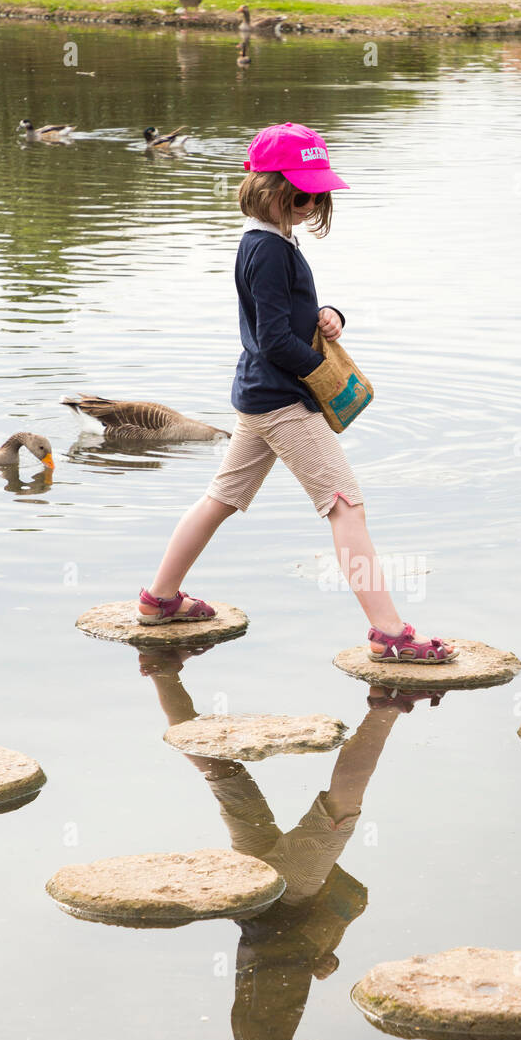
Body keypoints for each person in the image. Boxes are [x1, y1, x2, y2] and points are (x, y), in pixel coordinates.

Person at [138, 121, 455, 664]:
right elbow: (271, 338)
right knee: (345, 505)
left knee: (222, 498)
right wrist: (323, 375)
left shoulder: (274, 243)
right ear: (269, 189)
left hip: (260, 394)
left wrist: (331, 314)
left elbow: (287, 312)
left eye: (318, 192)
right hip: (283, 401)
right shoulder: (267, 249)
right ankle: (389, 634)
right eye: (303, 192)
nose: (312, 202)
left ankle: (158, 600)